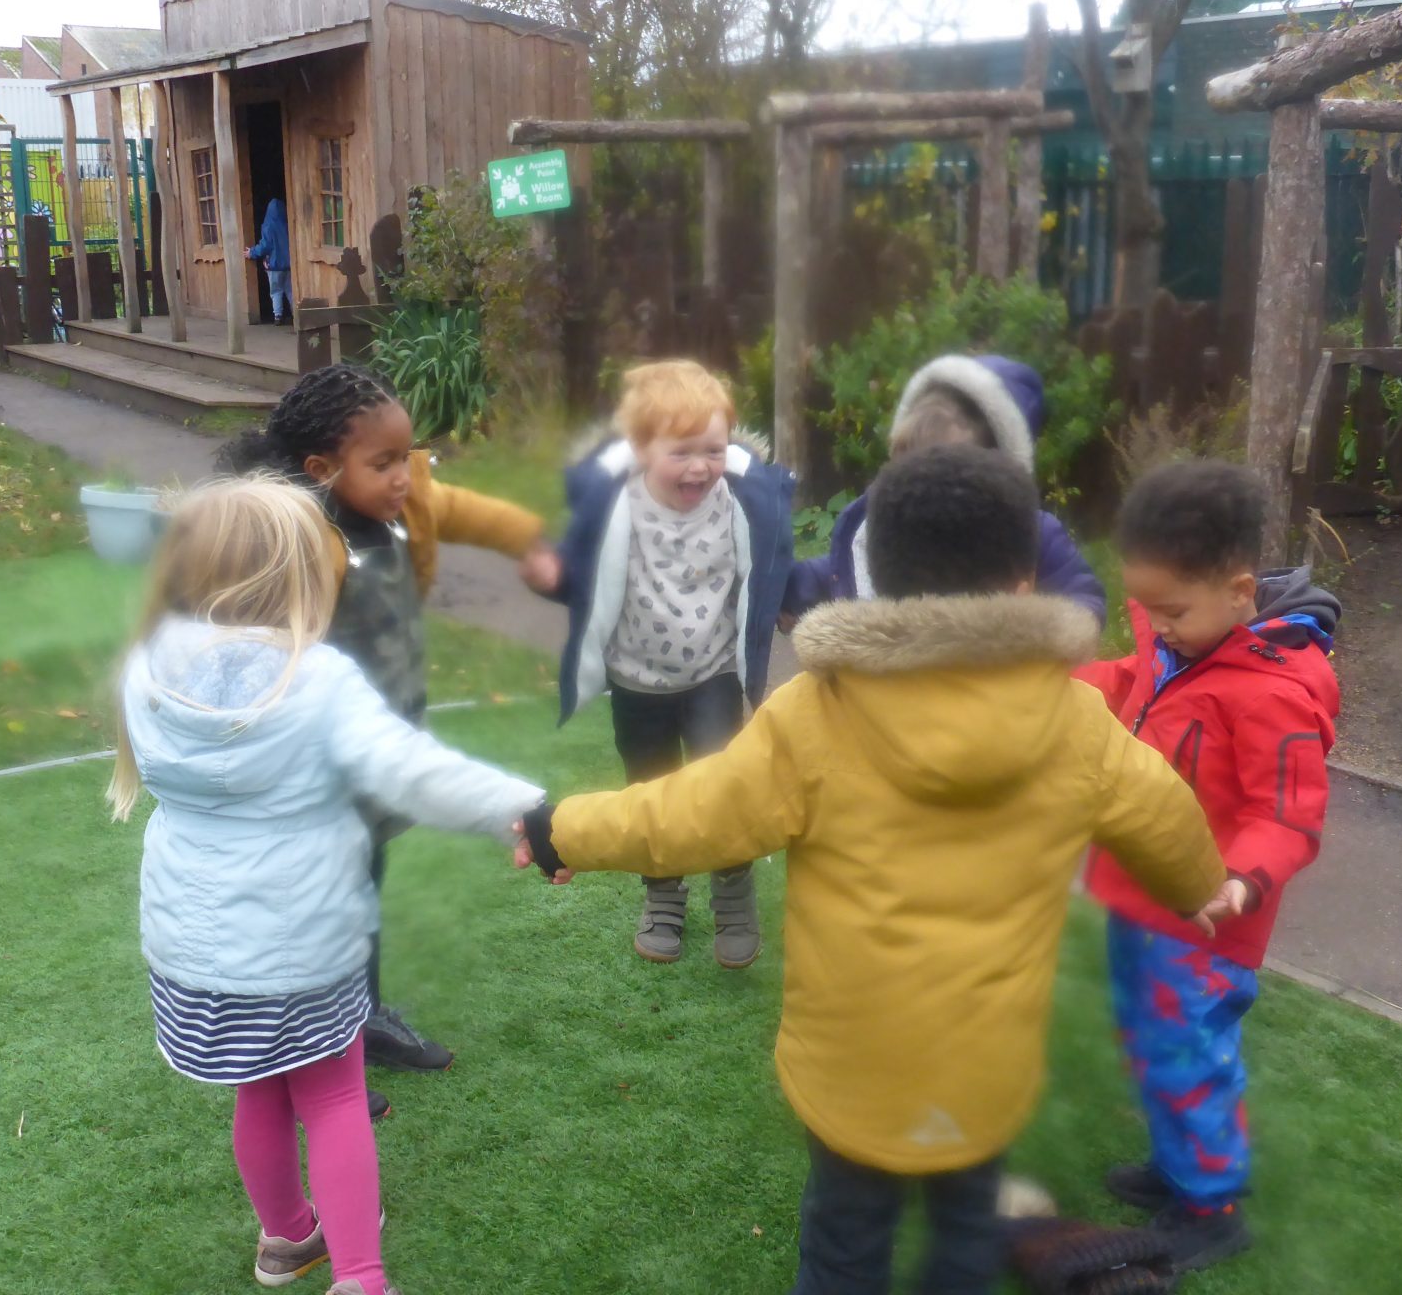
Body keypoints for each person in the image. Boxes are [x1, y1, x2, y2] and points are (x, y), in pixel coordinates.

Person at [517, 445, 1224, 1295]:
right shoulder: (1078, 721)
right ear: (1024, 582)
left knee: (845, 1246)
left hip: (854, 1073)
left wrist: (561, 832)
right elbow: (1165, 814)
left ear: (877, 576)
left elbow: (684, 813)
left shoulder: (820, 714)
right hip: (984, 1069)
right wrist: (1199, 888)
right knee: (964, 1236)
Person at [110, 477, 547, 1295]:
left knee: (259, 1089)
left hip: (195, 952)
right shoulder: (317, 680)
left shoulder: (146, 664)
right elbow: (414, 772)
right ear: (296, 579)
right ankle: (360, 1278)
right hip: (302, 947)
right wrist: (524, 809)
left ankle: (287, 1239)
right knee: (335, 1096)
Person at [217, 364, 561, 1109]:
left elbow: (456, 505)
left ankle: (360, 1019)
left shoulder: (396, 510)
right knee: (322, 915)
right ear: (321, 469)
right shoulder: (307, 544)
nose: (405, 476)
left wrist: (528, 542)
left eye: (407, 455)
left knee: (363, 897)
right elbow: (261, 653)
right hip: (320, 776)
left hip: (381, 761)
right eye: (384, 463)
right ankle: (316, 1055)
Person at [1078, 459, 1341, 1274]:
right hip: (1141, 898)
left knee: (1190, 1053)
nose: (1158, 627)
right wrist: (1060, 684)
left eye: (1172, 612)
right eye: (1149, 610)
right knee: (1151, 1040)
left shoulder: (1273, 694)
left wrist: (1239, 883)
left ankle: (1211, 1206)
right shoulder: (1182, 643)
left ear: (1238, 591)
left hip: (1207, 922)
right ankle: (1177, 1166)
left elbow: (1287, 814)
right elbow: (1133, 682)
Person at [549, 359, 795, 968]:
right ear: (640, 450)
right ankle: (663, 895)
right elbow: (578, 570)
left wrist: (785, 602)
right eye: (680, 452)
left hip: (714, 674)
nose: (700, 467)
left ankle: (733, 895)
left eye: (713, 450)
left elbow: (769, 565)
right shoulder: (616, 504)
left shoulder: (741, 503)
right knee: (651, 788)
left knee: (723, 787)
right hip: (637, 681)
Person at [784, 352, 1106, 624]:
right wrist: (783, 583)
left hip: (992, 669)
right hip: (887, 672)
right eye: (908, 472)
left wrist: (1029, 627)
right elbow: (833, 572)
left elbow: (1083, 601)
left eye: (947, 478)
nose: (925, 490)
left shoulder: (1031, 532)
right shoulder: (872, 527)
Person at [248, 197, 293, 325]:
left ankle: (278, 316)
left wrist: (252, 252)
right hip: (288, 265)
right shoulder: (288, 224)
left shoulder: (268, 226)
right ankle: (296, 313)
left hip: (273, 266)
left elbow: (265, 246)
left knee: (276, 291)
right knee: (290, 290)